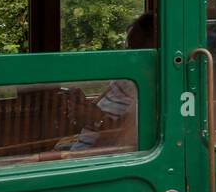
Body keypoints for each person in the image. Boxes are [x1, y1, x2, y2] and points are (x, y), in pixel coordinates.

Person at [55, 13, 154, 153]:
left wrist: (96, 118)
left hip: (97, 154)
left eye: (139, 50)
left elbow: (123, 137)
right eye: (130, 49)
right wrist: (85, 113)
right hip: (84, 146)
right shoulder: (126, 79)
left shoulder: (148, 89)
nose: (131, 57)